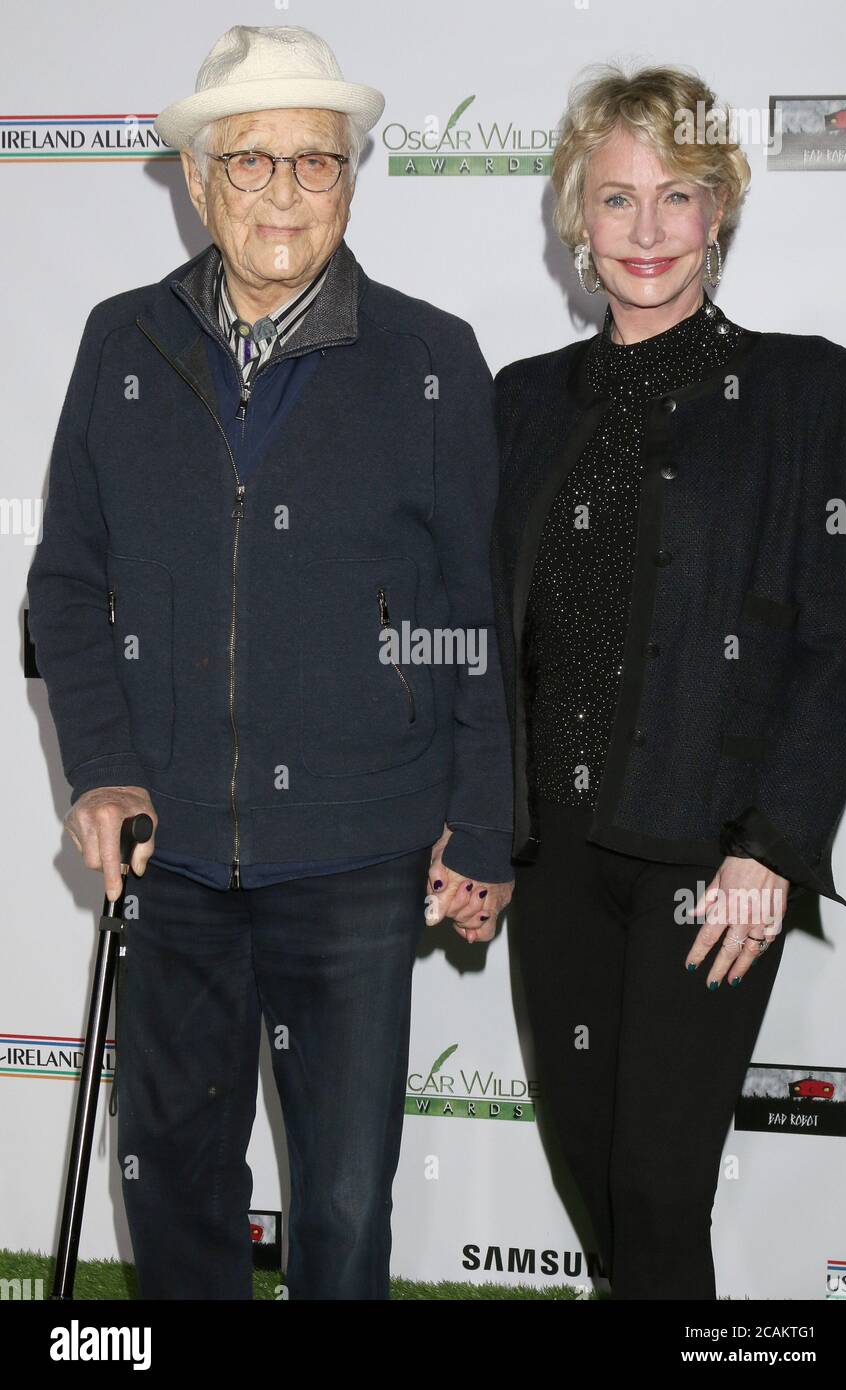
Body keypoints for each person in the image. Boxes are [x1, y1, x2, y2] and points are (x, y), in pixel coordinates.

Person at [27, 23, 513, 1300]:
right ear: (197, 182)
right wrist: (105, 771)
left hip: (357, 850)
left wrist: (484, 822)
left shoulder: (430, 358)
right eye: (252, 164)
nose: (286, 194)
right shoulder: (117, 343)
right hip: (170, 852)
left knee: (343, 1207)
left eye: (316, 163)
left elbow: (472, 612)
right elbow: (67, 588)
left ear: (352, 179)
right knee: (175, 1180)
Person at [490, 62, 846, 1299]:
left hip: (711, 864)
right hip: (552, 854)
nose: (644, 230)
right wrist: (478, 826)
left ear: (720, 211)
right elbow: (493, 637)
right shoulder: (521, 402)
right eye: (614, 199)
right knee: (590, 1172)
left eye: (677, 196)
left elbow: (838, 635)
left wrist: (769, 848)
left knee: (657, 1184)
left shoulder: (807, 390)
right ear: (574, 222)